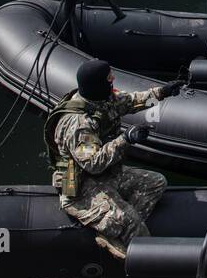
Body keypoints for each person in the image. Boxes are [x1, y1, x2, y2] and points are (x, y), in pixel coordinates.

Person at [44, 59, 182, 259]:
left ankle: (115, 231)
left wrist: (163, 92)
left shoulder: (102, 100)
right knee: (131, 221)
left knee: (156, 183)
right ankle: (137, 248)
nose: (113, 80)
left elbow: (132, 101)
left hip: (106, 175)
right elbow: (94, 164)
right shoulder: (79, 124)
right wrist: (126, 139)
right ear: (99, 84)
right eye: (109, 78)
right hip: (80, 186)